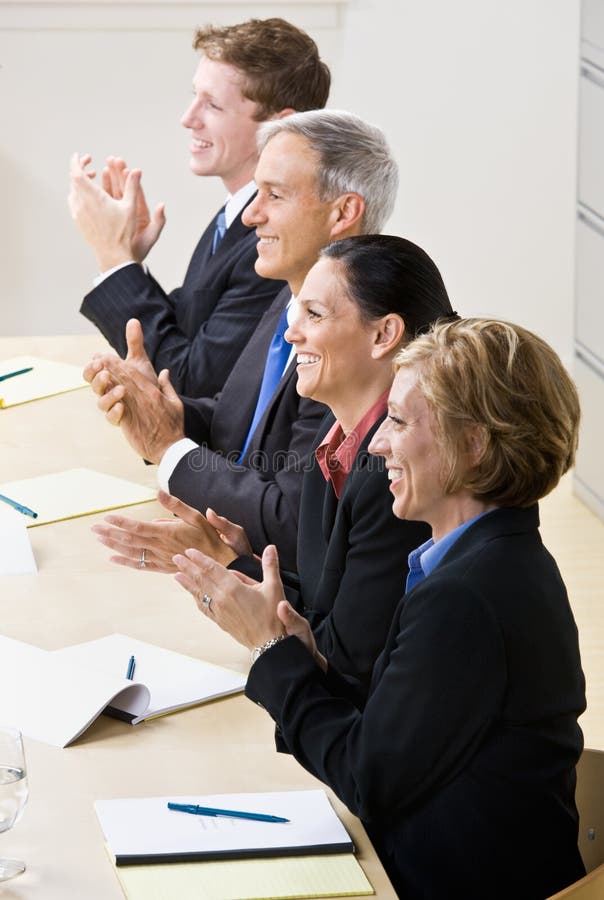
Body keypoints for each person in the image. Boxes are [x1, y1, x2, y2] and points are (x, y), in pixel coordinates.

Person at [173, 318, 586, 900]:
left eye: (398, 420)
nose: (376, 443)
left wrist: (271, 650)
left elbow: (370, 780)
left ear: (474, 443)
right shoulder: (481, 561)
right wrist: (307, 663)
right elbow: (404, 739)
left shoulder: (466, 595)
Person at [92, 234, 456, 689]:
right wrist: (226, 559)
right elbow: (326, 607)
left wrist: (238, 592)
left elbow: (347, 664)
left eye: (314, 315)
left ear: (384, 334)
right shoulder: (336, 442)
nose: (290, 332)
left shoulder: (394, 469)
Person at [84, 110, 399, 571]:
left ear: (344, 213)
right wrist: (163, 410)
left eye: (273, 195)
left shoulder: (354, 338)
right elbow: (243, 428)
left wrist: (169, 448)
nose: (251, 215)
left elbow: (290, 522)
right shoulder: (291, 293)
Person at [68, 18, 330, 396]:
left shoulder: (277, 240)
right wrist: (127, 260)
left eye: (212, 105)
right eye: (195, 97)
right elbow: (193, 330)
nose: (188, 118)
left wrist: (114, 259)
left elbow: (190, 383)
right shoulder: (232, 216)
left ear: (279, 127)